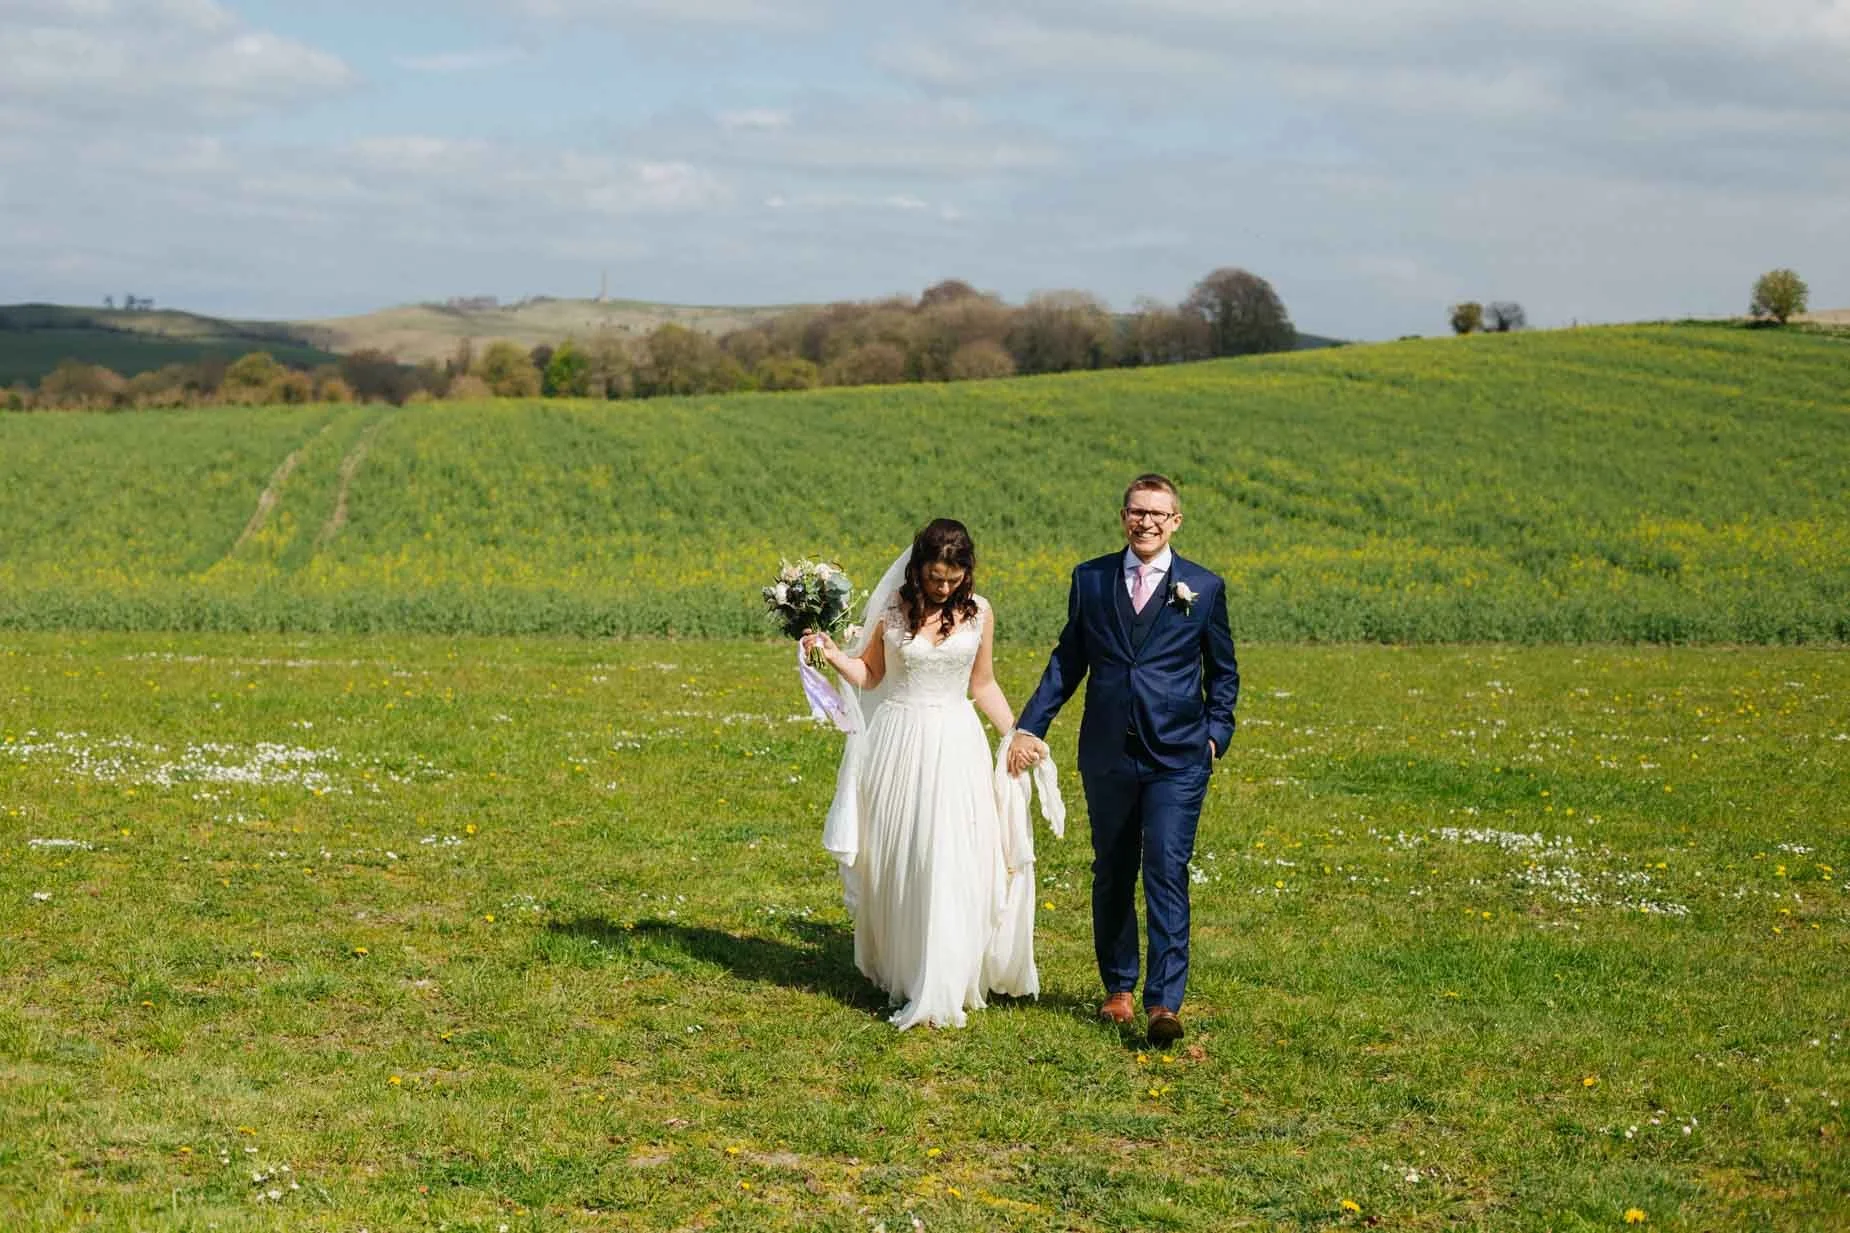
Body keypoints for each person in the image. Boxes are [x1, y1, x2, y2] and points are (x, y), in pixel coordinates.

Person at [1009, 474, 1239, 1043]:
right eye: (1138, 512)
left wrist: (1215, 734)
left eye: (1159, 514)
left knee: (1165, 865)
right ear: (1123, 517)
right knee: (1112, 869)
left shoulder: (1203, 588)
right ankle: (1118, 988)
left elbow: (1224, 672)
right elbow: (1069, 660)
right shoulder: (1090, 579)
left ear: (1176, 522)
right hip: (1108, 752)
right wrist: (1029, 724)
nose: (1148, 522)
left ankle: (1164, 1003)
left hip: (1179, 756)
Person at [803, 518, 1042, 1029]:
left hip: (956, 743)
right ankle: (908, 971)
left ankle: (946, 976)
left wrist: (1016, 733)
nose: (943, 587)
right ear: (917, 569)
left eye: (953, 579)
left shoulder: (980, 613)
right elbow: (871, 675)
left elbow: (984, 684)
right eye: (935, 577)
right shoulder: (893, 610)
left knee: (950, 855)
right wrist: (831, 654)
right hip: (899, 741)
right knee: (902, 854)